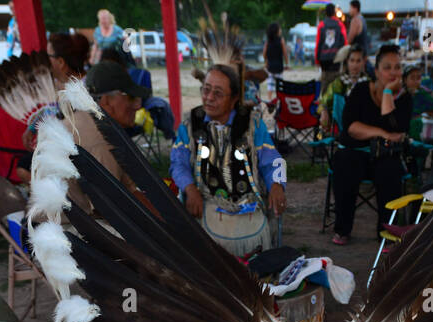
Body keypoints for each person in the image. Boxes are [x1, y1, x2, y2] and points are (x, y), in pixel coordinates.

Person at [171, 63, 287, 256]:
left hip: (248, 202)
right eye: (206, 90)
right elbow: (177, 163)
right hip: (207, 202)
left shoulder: (252, 124)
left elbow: (274, 159)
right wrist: (190, 189)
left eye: (217, 93)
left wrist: (277, 183)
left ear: (234, 99)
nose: (208, 98)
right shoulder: (190, 124)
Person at [330, 44, 411, 245]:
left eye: (397, 67)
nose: (393, 72)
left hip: (384, 155)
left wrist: (386, 94)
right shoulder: (359, 90)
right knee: (345, 163)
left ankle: (386, 231)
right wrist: (382, 132)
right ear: (376, 71)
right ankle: (342, 229)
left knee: (391, 170)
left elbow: (398, 129)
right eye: (387, 67)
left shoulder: (405, 98)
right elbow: (351, 128)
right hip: (355, 151)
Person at [67, 60, 155, 217]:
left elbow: (129, 189)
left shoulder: (87, 120)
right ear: (106, 100)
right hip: (69, 231)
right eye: (130, 97)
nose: (137, 106)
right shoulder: (101, 140)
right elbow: (109, 210)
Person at [319, 44, 367, 133]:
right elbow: (324, 100)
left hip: (366, 128)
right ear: (347, 62)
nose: (355, 65)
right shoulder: (340, 82)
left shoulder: (369, 83)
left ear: (364, 62)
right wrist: (324, 111)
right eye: (352, 60)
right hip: (344, 128)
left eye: (358, 61)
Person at [316, 3, 347, 93]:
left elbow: (318, 43)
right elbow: (344, 41)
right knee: (335, 79)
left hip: (323, 58)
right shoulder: (340, 24)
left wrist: (317, 59)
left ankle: (324, 99)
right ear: (334, 12)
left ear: (325, 13)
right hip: (336, 57)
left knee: (325, 79)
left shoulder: (321, 25)